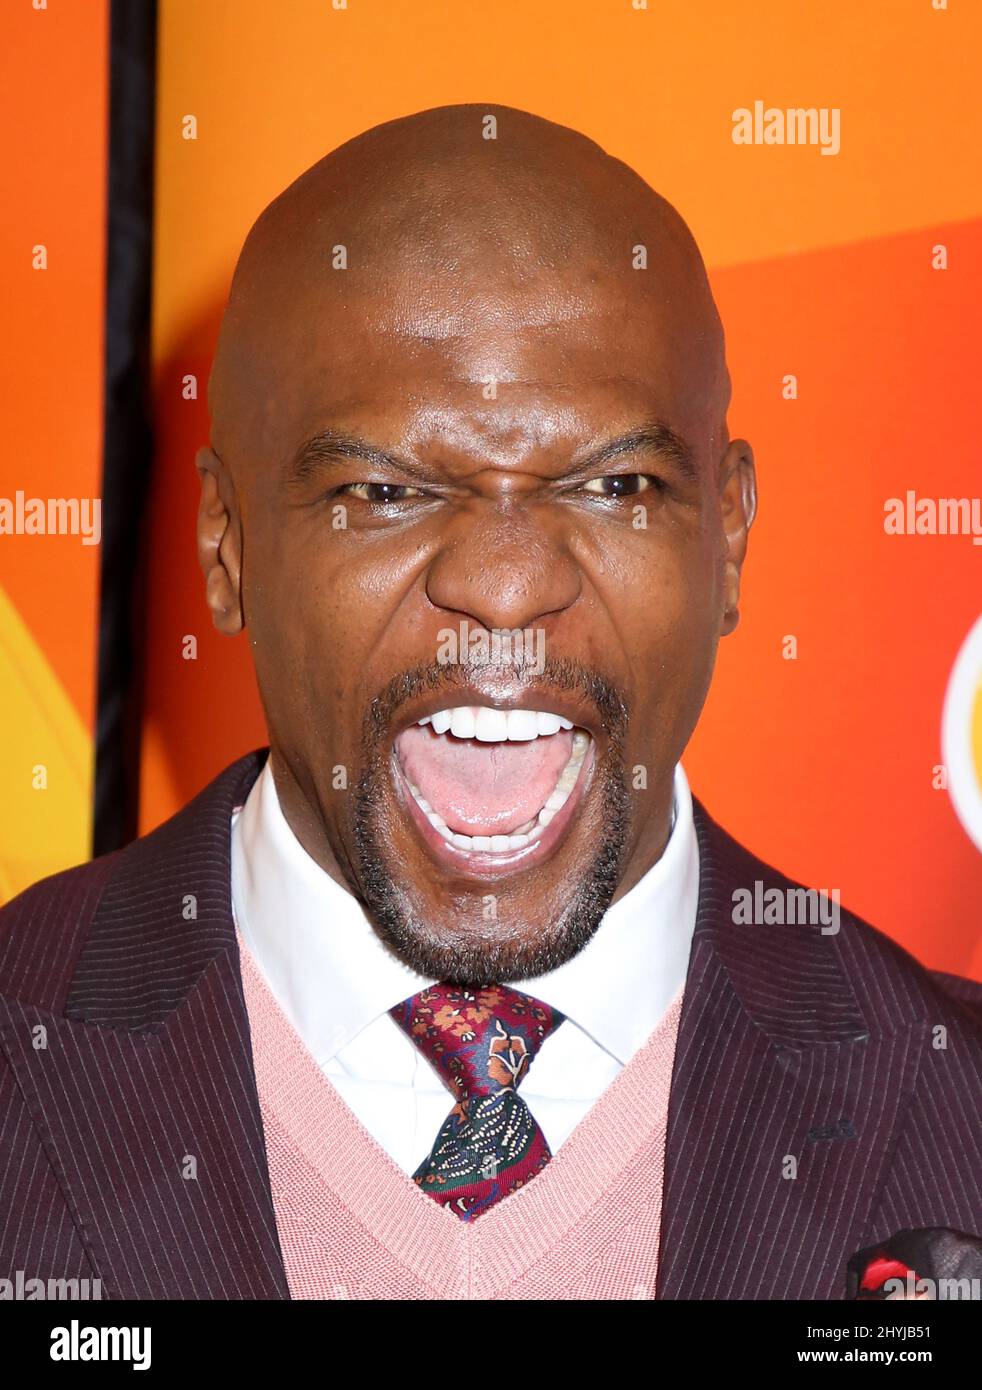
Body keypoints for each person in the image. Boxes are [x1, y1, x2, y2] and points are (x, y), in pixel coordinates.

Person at [1, 104, 979, 1301]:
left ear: (726, 538)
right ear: (226, 545)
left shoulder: (958, 1111)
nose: (508, 586)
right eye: (386, 488)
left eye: (616, 483)